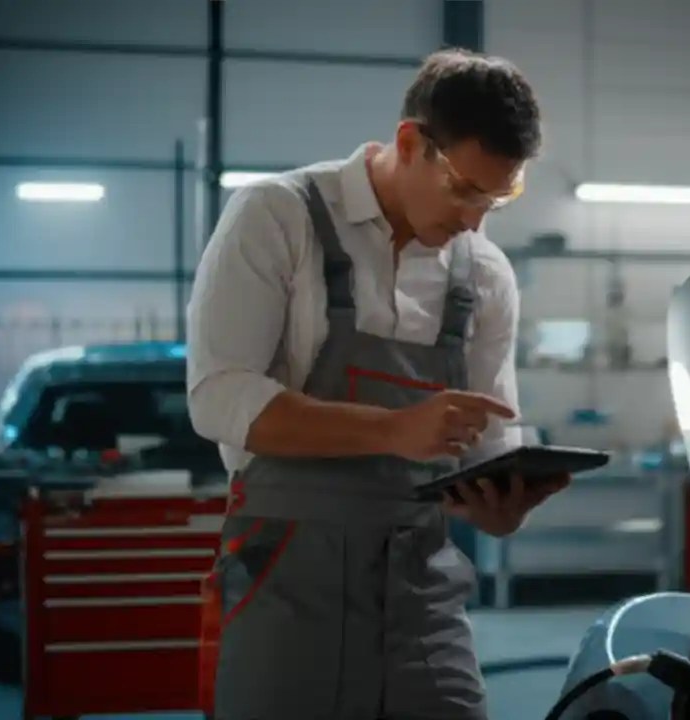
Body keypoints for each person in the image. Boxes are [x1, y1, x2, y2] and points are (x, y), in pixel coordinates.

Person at [186, 48, 565, 720]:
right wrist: (394, 430)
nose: (476, 219)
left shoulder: (482, 274)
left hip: (421, 590)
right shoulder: (277, 217)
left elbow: (487, 439)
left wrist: (499, 501)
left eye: (497, 198)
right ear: (410, 143)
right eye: (464, 191)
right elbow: (218, 396)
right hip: (286, 580)